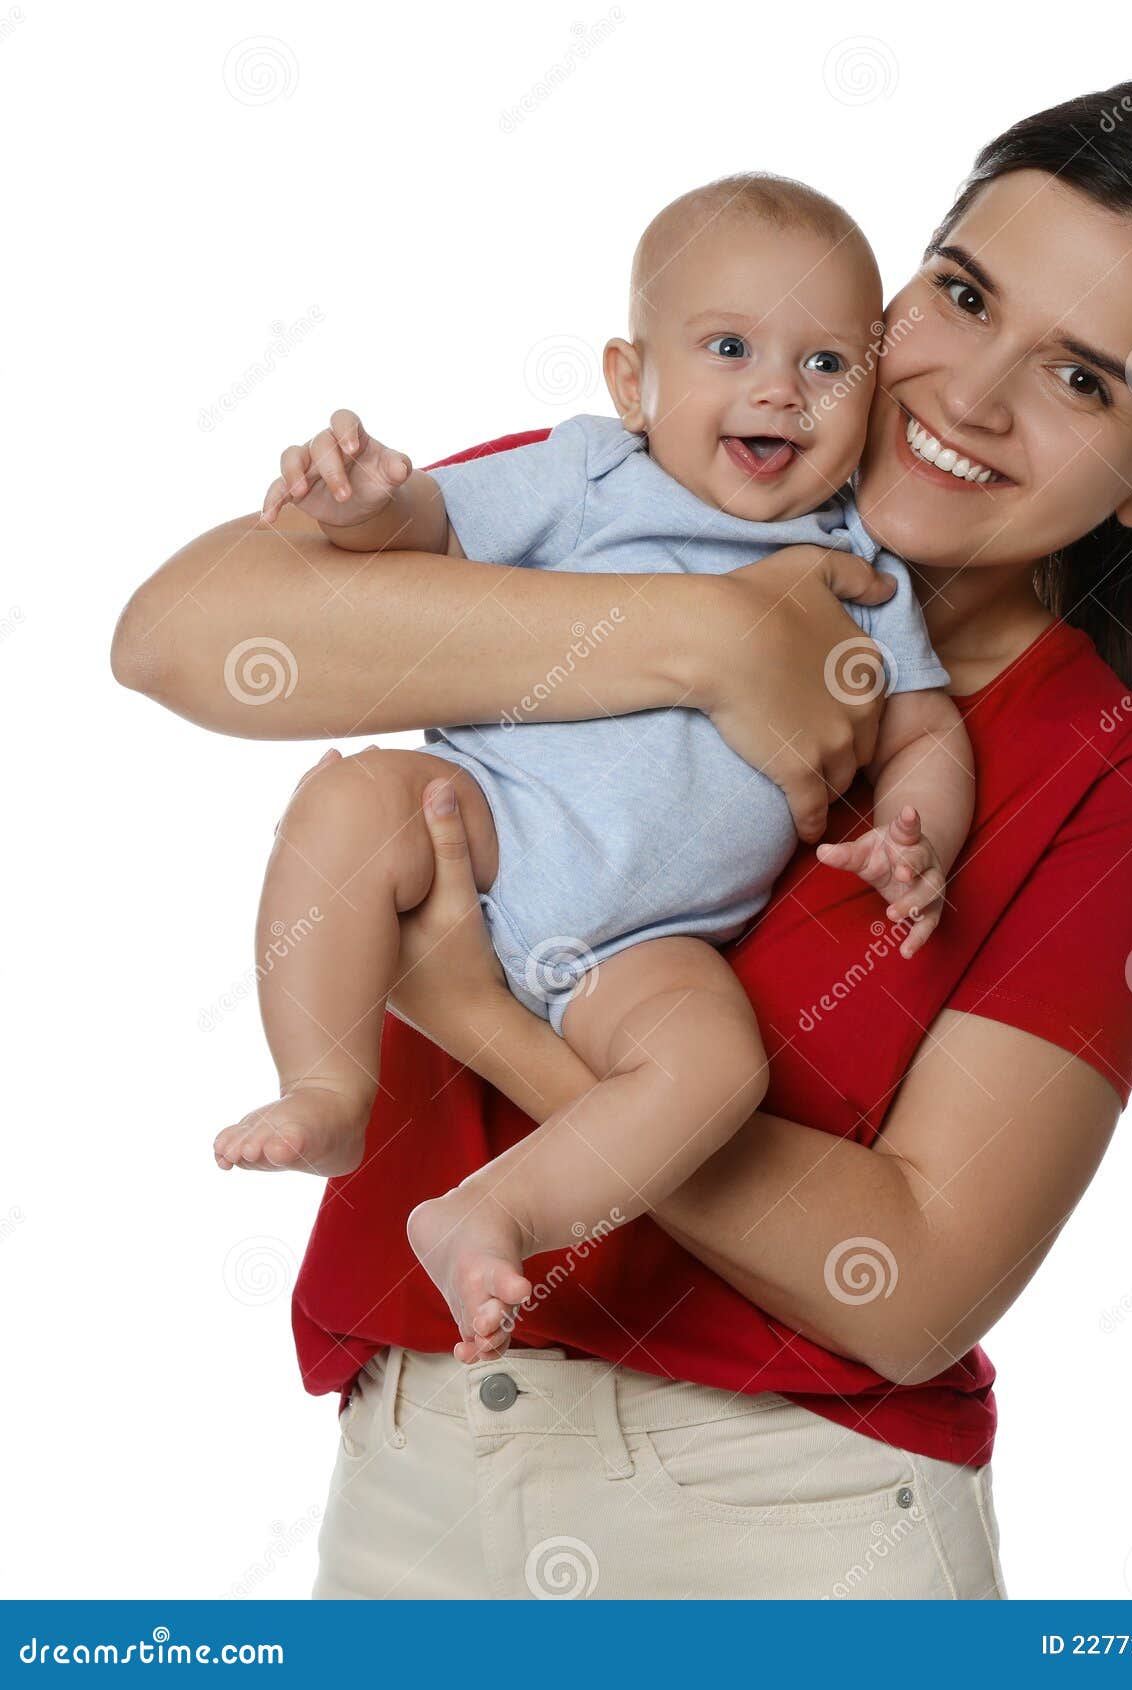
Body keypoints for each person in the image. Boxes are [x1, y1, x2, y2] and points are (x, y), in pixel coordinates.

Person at [111, 83, 1132, 1599]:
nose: (967, 396)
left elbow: (916, 1290)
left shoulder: (1095, 763)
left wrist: (489, 1015)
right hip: (416, 1471)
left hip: (788, 1517)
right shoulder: (647, 479)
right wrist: (695, 636)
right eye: (959, 297)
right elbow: (182, 638)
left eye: (1082, 380)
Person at [211, 176, 973, 1370]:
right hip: (488, 826)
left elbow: (926, 729)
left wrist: (912, 830)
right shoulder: (589, 474)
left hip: (654, 943)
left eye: (826, 365)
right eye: (729, 346)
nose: (779, 386)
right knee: (350, 799)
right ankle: (323, 1085)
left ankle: (494, 1211)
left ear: (868, 399)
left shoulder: (857, 561)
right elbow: (429, 535)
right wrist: (368, 506)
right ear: (632, 381)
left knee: (712, 1070)